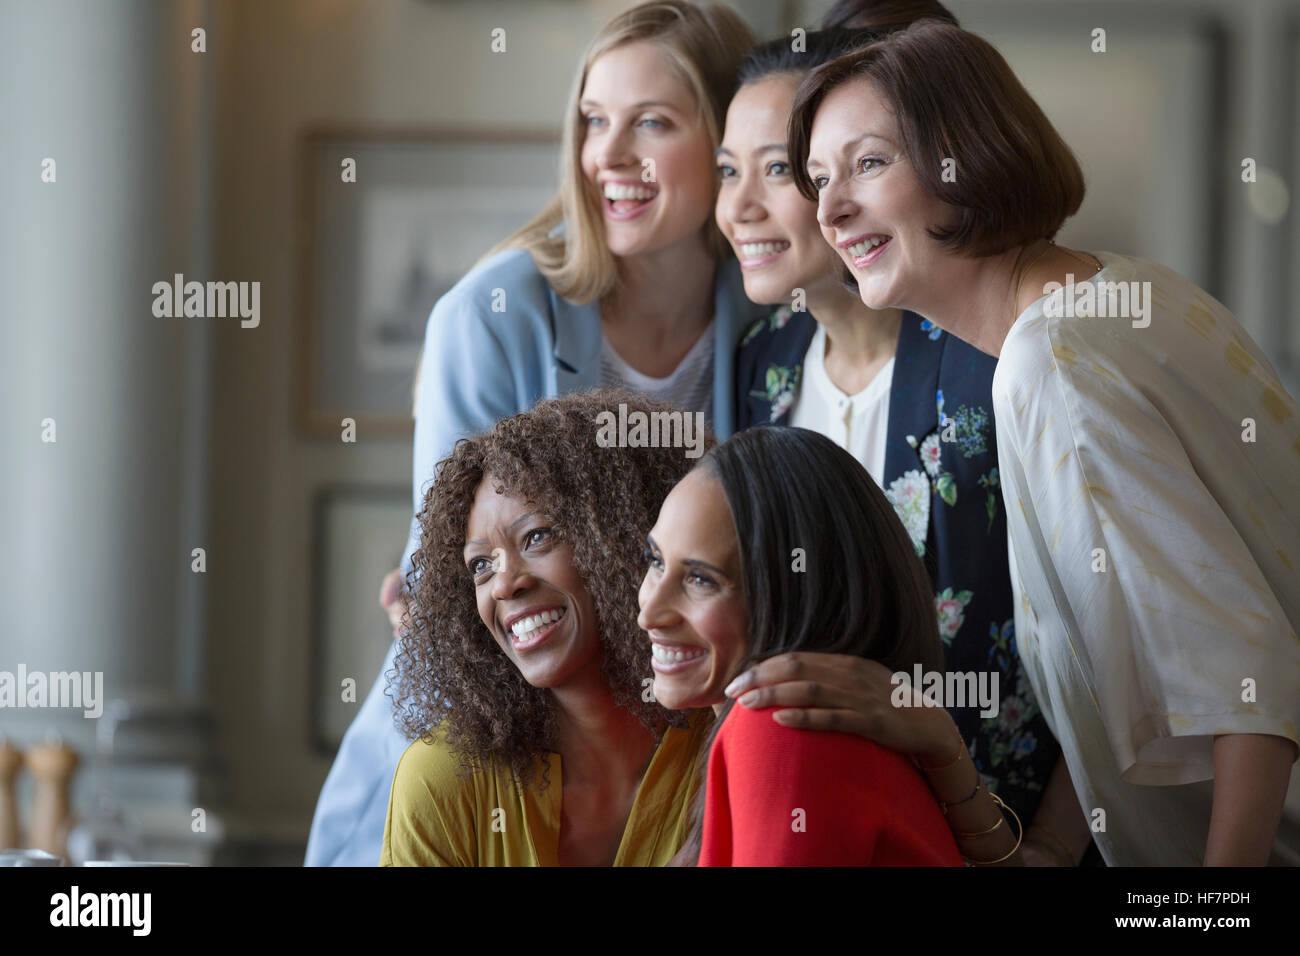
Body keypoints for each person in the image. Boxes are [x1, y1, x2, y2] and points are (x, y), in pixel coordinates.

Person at [784, 20, 1300, 865]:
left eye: (869, 163)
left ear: (966, 156)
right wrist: (1054, 850)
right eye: (817, 178)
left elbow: (1251, 685)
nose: (830, 209)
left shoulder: (1051, 361)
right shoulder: (1124, 286)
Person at [306, 0, 763, 866]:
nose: (609, 157)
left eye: (652, 123)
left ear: (729, 142)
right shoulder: (490, 314)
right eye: (594, 121)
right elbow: (452, 597)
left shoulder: (771, 320)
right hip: (491, 766)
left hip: (674, 763)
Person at [719, 26, 1081, 863]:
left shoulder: (994, 354)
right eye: (729, 171)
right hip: (825, 815)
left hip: (1007, 827)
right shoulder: (762, 365)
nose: (740, 205)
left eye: (778, 170)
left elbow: (1117, 638)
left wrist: (1055, 850)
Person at [382, 391, 710, 866]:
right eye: (480, 566)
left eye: (537, 537)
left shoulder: (724, 741)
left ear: (624, 534)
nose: (504, 586)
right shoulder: (442, 782)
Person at [641, 426, 964, 865]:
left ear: (797, 595)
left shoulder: (780, 728)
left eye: (700, 579)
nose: (649, 613)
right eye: (655, 561)